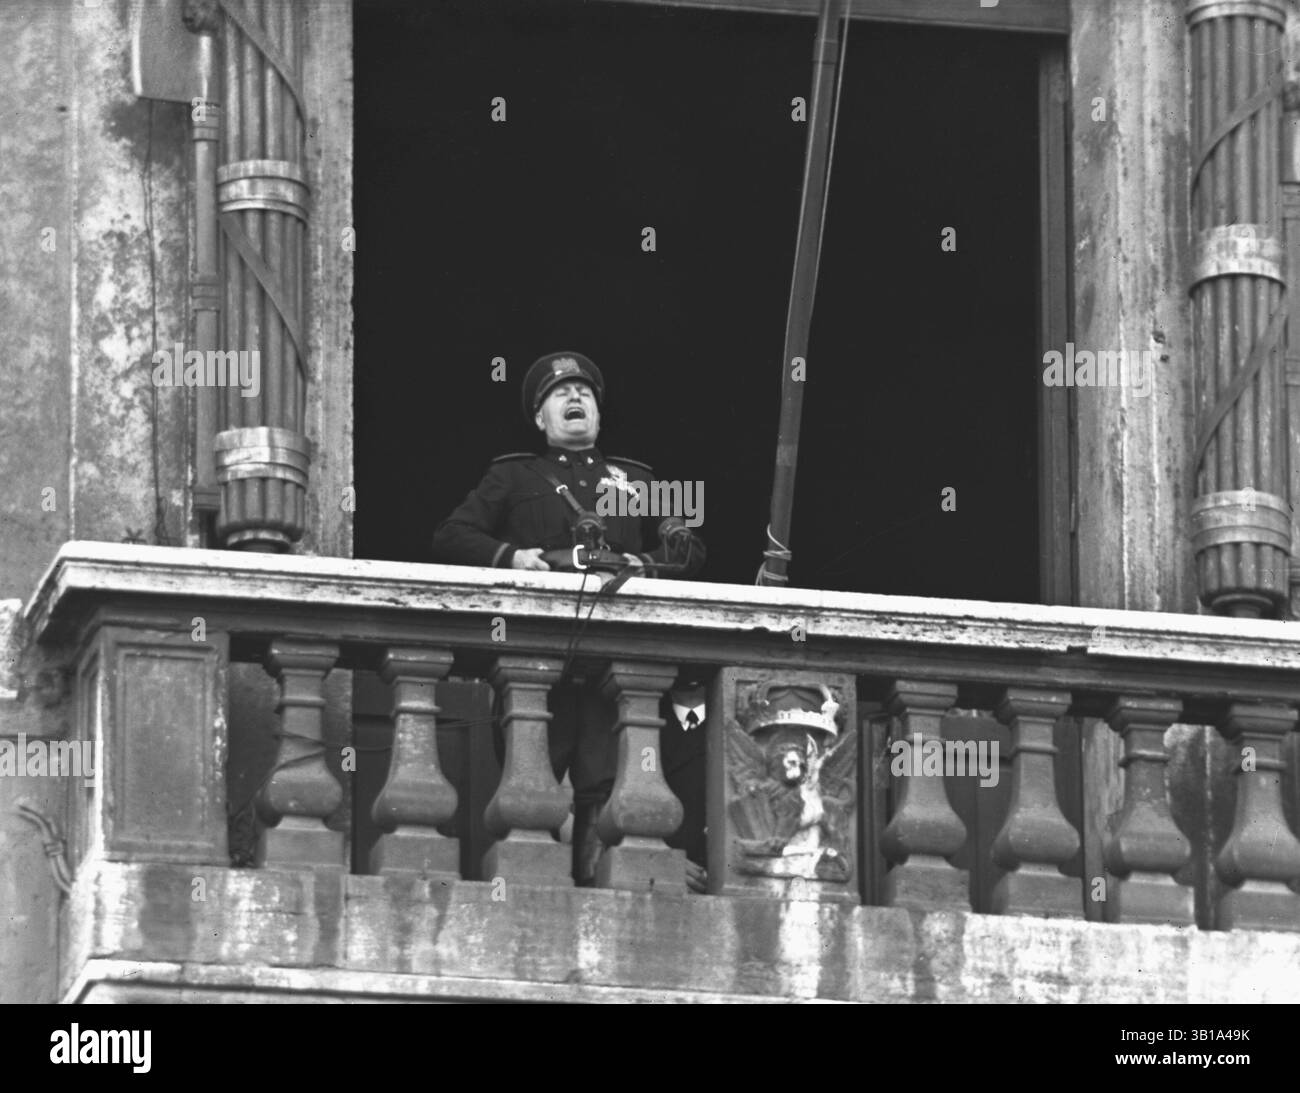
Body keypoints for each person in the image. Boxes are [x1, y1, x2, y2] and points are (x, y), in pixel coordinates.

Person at [432, 350, 707, 884]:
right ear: (541, 418)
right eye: (560, 394)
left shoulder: (635, 478)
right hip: (539, 654)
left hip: (614, 660)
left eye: (584, 393)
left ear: (599, 414)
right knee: (532, 780)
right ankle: (527, 892)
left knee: (606, 787)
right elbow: (450, 535)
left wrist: (646, 563)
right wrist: (511, 557)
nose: (575, 398)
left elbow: (691, 549)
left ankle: (598, 893)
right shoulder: (513, 474)